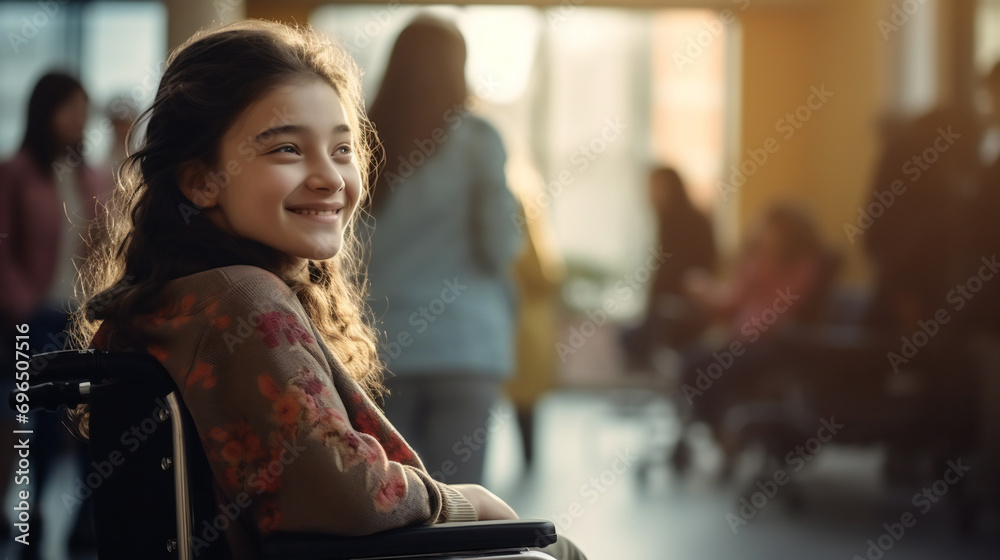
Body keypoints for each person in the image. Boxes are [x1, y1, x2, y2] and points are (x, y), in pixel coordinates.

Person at [64, 20, 584, 560]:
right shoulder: (244, 301)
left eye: (342, 150)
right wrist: (457, 501)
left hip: (402, 338)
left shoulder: (179, 300)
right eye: (288, 149)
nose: (332, 178)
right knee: (546, 549)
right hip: (465, 344)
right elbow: (341, 491)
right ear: (201, 180)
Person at [364, 15, 523, 486]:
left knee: (394, 507)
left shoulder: (364, 142)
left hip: (382, 348)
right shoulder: (477, 139)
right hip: (465, 346)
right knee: (458, 508)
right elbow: (500, 246)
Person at [0, 71, 109, 558]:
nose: (79, 117)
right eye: (70, 106)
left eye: (84, 107)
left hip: (79, 315)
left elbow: (111, 235)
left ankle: (88, 520)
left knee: (87, 420)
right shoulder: (15, 171)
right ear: (45, 111)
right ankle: (31, 519)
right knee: (36, 425)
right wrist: (24, 306)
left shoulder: (89, 175)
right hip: (34, 315)